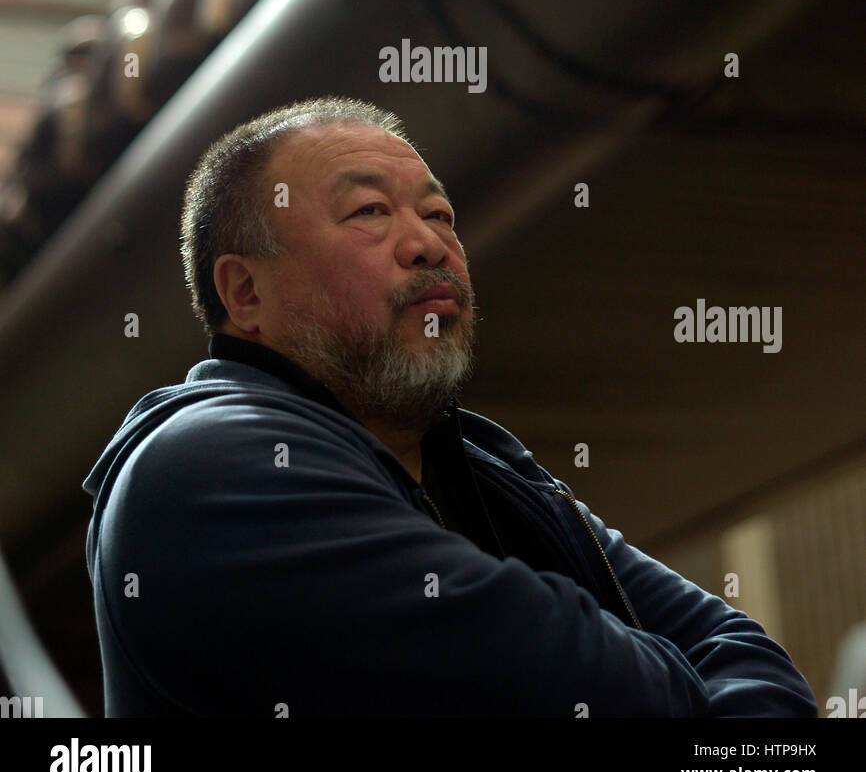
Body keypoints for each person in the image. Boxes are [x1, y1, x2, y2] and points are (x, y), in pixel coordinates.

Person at [83, 95, 817, 718]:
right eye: (369, 211)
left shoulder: (491, 469)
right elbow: (579, 686)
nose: (428, 244)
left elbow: (756, 666)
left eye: (439, 213)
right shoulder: (210, 465)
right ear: (245, 293)